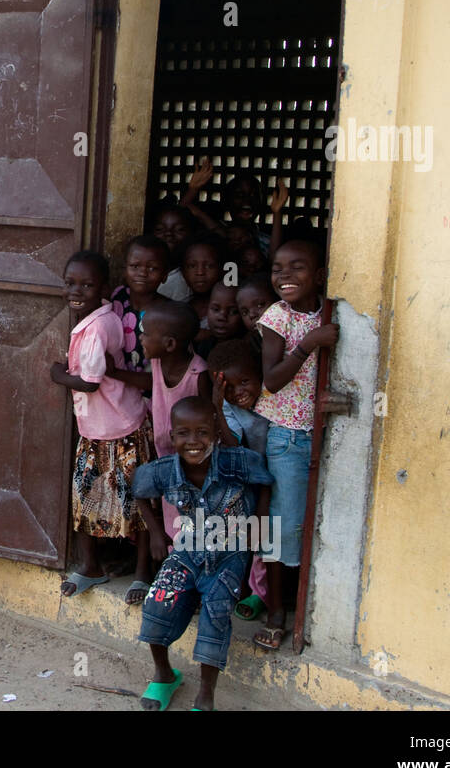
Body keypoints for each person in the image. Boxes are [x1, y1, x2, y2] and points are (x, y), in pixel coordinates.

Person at [132, 396, 273, 710]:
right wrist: (156, 532)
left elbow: (264, 481)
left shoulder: (237, 462)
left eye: (202, 432)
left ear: (216, 434)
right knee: (157, 603)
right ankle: (164, 675)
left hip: (229, 554)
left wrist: (259, 524)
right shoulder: (165, 470)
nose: (193, 441)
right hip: (187, 550)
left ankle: (206, 695)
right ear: (172, 436)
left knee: (216, 615)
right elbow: (139, 488)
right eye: (183, 433)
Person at [49, 250, 153, 604]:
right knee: (89, 499)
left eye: (86, 285)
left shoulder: (95, 328)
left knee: (136, 502)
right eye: (70, 283)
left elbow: (90, 383)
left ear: (104, 288)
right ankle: (94, 566)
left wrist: (58, 375)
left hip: (118, 429)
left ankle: (138, 572)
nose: (76, 291)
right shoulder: (103, 317)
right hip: (102, 426)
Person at [252, 239, 338, 650]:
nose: (284, 275)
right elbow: (271, 381)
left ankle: (308, 607)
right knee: (284, 526)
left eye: (297, 267)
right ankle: (276, 610)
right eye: (278, 268)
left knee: (315, 524)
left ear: (319, 276)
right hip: (288, 437)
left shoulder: (330, 313)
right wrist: (308, 344)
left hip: (324, 435)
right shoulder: (277, 317)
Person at [107, 300, 210, 547]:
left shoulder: (198, 374)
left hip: (190, 462)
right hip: (164, 454)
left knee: (190, 519)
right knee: (170, 515)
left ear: (170, 344)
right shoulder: (158, 361)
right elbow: (152, 382)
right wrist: (115, 373)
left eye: (146, 333)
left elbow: (209, 418)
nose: (140, 338)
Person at [207, 338, 273, 621]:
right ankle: (238, 584)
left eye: (244, 382)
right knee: (245, 532)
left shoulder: (273, 396)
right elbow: (232, 444)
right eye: (229, 388)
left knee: (267, 533)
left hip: (277, 471)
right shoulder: (229, 407)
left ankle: (260, 592)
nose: (238, 392)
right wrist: (218, 406)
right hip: (251, 477)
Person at [180, 157, 288, 258]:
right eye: (239, 195)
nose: (247, 201)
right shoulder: (215, 233)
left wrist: (277, 213)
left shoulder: (266, 241)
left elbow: (275, 260)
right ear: (227, 201)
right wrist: (193, 189)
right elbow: (181, 214)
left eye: (253, 196)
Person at [108, 235, 171, 380]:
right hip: (113, 388)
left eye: (152, 268)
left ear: (165, 275)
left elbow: (161, 379)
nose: (142, 273)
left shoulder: (168, 313)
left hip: (148, 391)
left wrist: (115, 373)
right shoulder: (117, 297)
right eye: (135, 266)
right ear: (125, 269)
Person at [147, 205, 193, 301]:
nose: (168, 233)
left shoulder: (187, 279)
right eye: (159, 229)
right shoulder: (142, 271)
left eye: (179, 229)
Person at [180, 236, 225, 327]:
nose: (200, 272)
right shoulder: (179, 308)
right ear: (183, 272)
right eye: (192, 266)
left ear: (222, 270)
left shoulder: (231, 309)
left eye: (209, 266)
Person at [194, 281, 243, 360]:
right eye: (216, 309)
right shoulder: (203, 347)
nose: (221, 317)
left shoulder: (248, 348)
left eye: (233, 311)